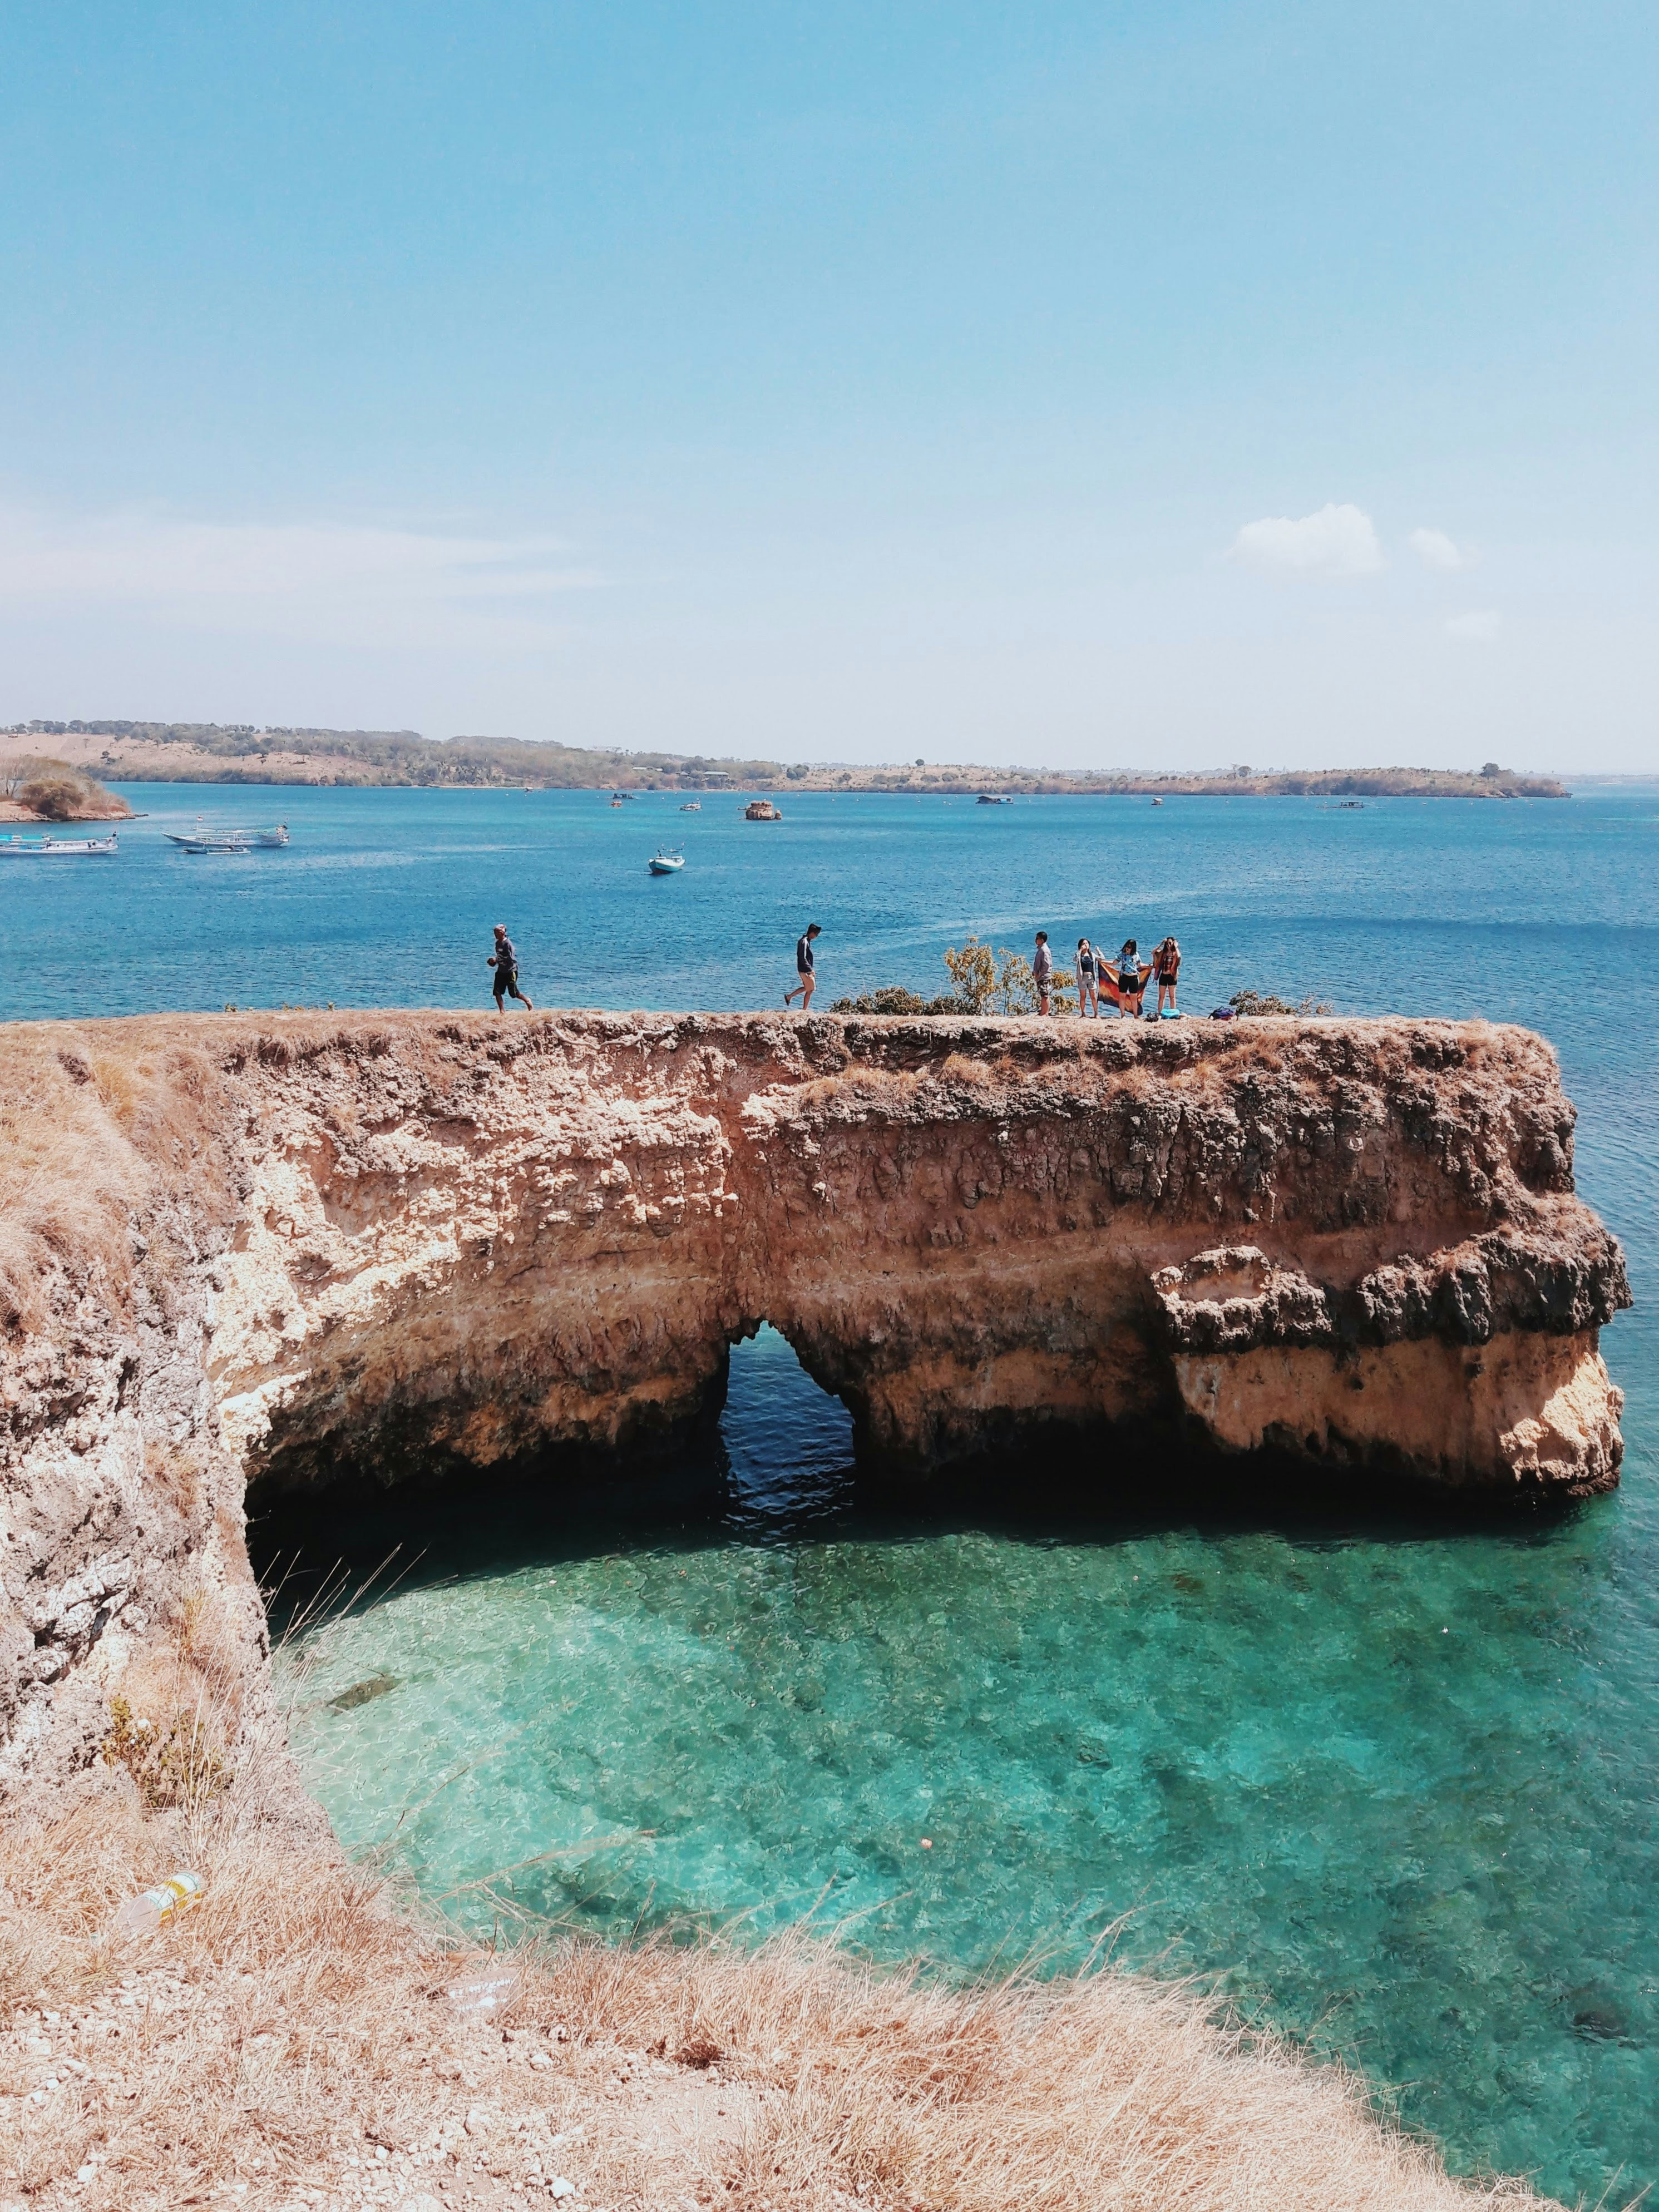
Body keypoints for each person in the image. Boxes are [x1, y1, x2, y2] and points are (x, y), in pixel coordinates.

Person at [487, 924, 534, 1011]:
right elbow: (500, 956)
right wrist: (494, 961)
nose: (495, 935)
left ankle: (527, 1001)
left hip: (511, 971)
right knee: (497, 992)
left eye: (496, 933)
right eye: (494, 933)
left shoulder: (508, 944)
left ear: (502, 933)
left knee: (514, 993)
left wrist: (498, 959)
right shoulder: (497, 944)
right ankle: (502, 1011)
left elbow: (511, 959)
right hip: (501, 971)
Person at [784, 923, 822, 1009]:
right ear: (812, 933)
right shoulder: (804, 942)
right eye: (816, 934)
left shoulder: (805, 941)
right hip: (805, 970)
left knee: (807, 988)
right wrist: (810, 969)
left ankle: (789, 997)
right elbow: (802, 957)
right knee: (811, 989)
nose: (816, 936)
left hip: (803, 969)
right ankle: (804, 1010)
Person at [1113, 939, 1146, 1016]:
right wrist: (1103, 962)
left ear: (1133, 948)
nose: (1127, 948)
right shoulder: (1122, 954)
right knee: (1122, 997)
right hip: (1124, 977)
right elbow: (1114, 963)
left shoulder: (1136, 955)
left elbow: (1140, 965)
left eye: (1130, 947)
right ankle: (1123, 1015)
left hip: (1133, 978)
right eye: (1127, 946)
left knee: (1134, 998)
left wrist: (1150, 966)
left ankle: (1135, 1015)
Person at [1152, 935, 1181, 1017]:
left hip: (1171, 976)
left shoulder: (1175, 953)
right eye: (1167, 943)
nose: (1168, 945)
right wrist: (1161, 944)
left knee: (1172, 997)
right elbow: (1153, 952)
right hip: (1163, 976)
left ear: (1173, 944)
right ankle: (1160, 1013)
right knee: (1161, 996)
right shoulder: (1163, 953)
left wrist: (1176, 947)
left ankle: (1173, 1014)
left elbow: (1179, 957)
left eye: (1170, 943)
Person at [1076, 937, 1099, 1017]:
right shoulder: (1079, 956)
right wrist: (1080, 951)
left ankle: (1096, 1013)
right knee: (1083, 996)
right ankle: (1083, 1013)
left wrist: (1098, 951)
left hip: (1091, 977)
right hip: (1082, 978)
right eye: (1083, 944)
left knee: (1093, 996)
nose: (1086, 945)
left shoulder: (1092, 955)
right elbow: (1075, 959)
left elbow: (1102, 958)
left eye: (1087, 943)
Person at [1033, 931, 1053, 1015]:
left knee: (1045, 995)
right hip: (1041, 976)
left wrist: (1039, 974)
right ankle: (1043, 1011)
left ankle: (1045, 1013)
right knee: (1043, 994)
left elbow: (1046, 965)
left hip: (1044, 977)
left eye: (1037, 939)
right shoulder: (1041, 949)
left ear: (1042, 940)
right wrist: (1035, 972)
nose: (1035, 940)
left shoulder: (1044, 950)